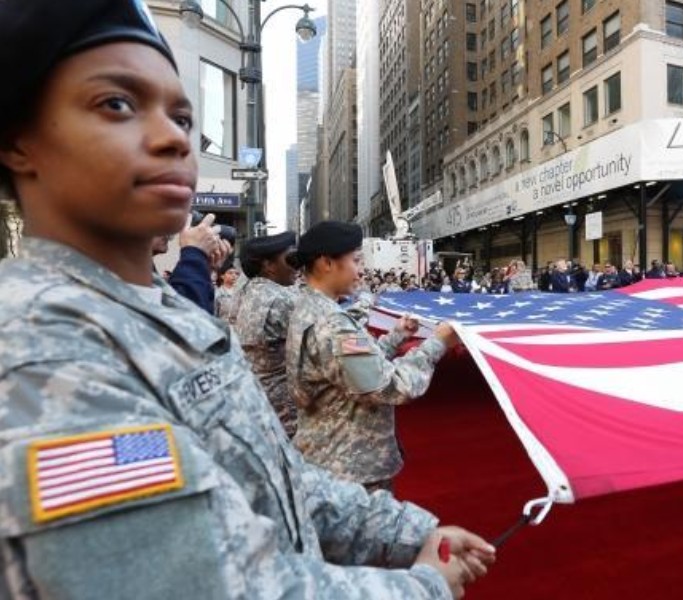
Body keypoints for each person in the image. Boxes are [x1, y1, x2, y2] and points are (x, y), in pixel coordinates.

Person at [0, 3, 493, 598]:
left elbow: (274, 480)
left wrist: (406, 530)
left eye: (181, 116)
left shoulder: (164, 312)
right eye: (117, 105)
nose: (171, 138)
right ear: (17, 142)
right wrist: (423, 587)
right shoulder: (43, 351)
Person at [287, 221, 461, 493]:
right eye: (355, 260)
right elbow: (389, 387)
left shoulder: (310, 309)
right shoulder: (332, 324)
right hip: (349, 472)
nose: (360, 271)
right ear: (326, 263)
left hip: (328, 461)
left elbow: (350, 370)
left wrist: (396, 336)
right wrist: (438, 343)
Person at [232, 231, 300, 437]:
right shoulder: (281, 300)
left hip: (256, 401)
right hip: (285, 412)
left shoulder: (246, 292)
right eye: (290, 259)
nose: (296, 266)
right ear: (268, 265)